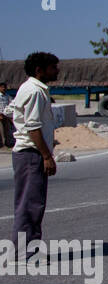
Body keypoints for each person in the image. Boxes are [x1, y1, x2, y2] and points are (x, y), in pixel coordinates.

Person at [10, 52, 60, 260]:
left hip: (30, 154)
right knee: (30, 204)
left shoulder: (31, 88)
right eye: (53, 67)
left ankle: (26, 249)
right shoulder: (35, 92)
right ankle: (25, 253)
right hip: (31, 154)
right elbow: (33, 128)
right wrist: (47, 156)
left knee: (30, 203)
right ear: (39, 70)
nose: (57, 70)